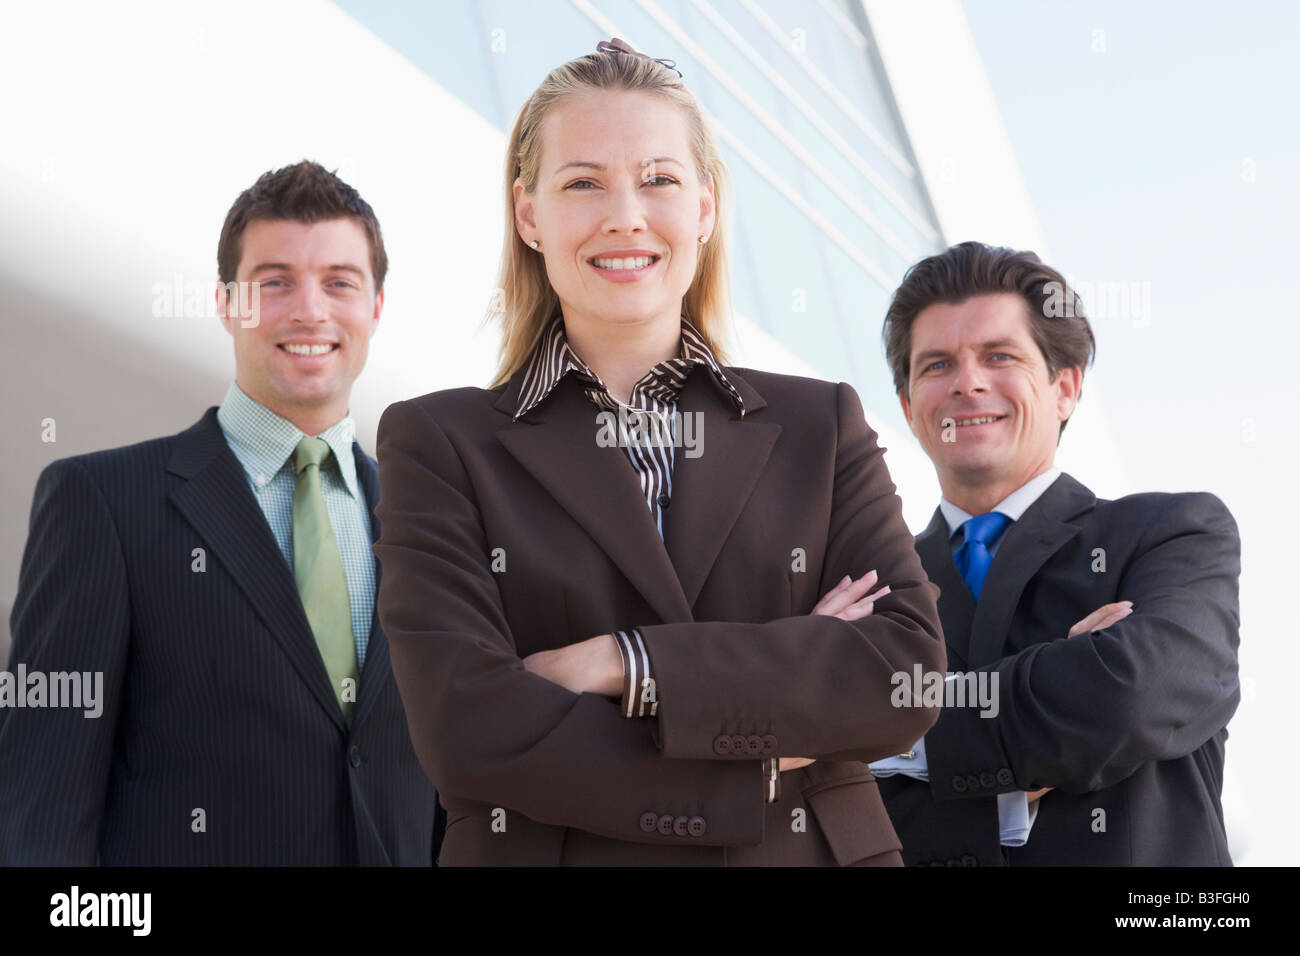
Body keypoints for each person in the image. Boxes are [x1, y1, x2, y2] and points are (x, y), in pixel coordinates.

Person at [372, 39, 945, 867]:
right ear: (528, 214)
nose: (625, 215)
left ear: (705, 209)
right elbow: (467, 728)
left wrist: (621, 662)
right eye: (582, 183)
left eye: (659, 180)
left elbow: (904, 671)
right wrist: (762, 740)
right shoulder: (439, 442)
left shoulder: (819, 424)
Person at [0, 161, 441, 865]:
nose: (309, 311)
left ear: (376, 308)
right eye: (274, 282)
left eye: (339, 282)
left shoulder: (431, 526)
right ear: (227, 303)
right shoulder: (104, 504)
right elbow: (41, 803)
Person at [870, 241, 1240, 865]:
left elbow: (1131, 694)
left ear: (1064, 387)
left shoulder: (1171, 534)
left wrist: (885, 737)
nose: (968, 383)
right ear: (908, 408)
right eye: (935, 366)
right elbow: (810, 786)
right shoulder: (870, 587)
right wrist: (1061, 692)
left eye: (999, 356)